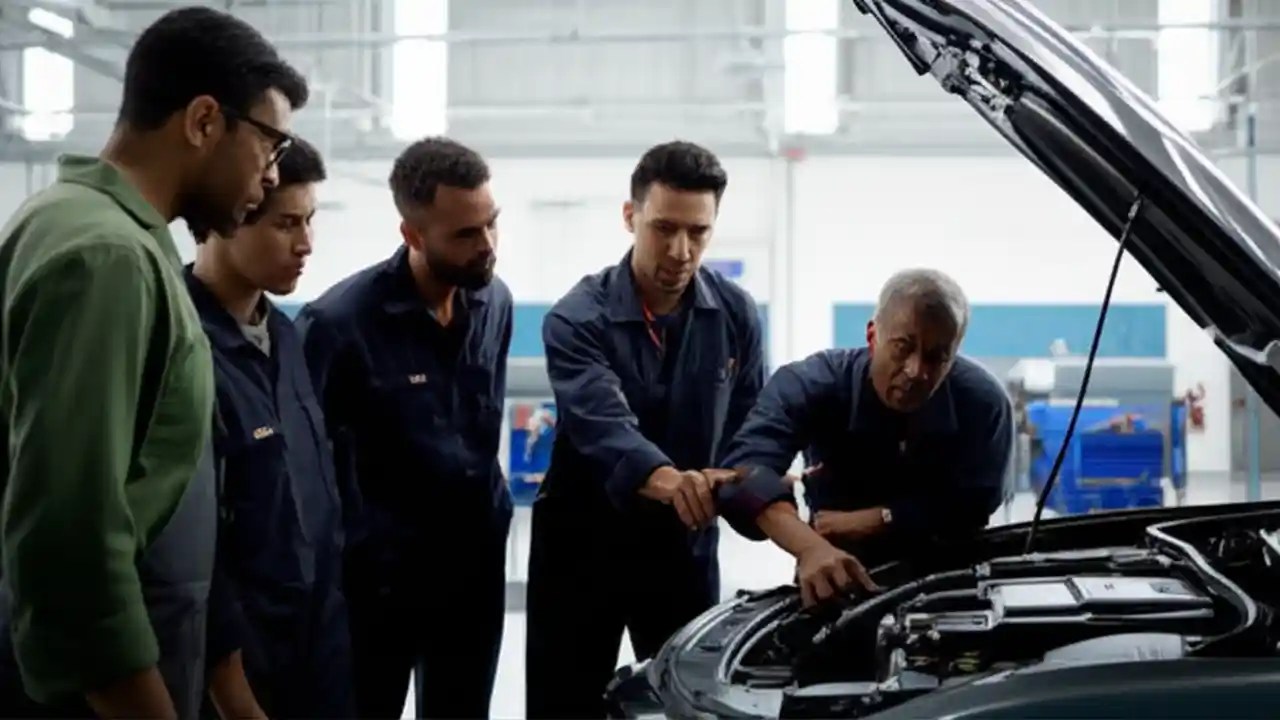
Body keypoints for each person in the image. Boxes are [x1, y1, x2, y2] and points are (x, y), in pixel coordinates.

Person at [0, 6, 307, 719]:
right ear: (203, 121)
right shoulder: (108, 258)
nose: (269, 178)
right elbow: (72, 539)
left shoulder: (70, 222)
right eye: (268, 147)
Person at [523, 140, 874, 719]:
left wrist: (760, 484)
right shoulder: (576, 317)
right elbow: (603, 424)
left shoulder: (735, 315)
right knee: (565, 707)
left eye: (698, 232)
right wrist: (677, 481)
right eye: (664, 229)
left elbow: (748, 433)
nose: (680, 251)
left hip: (681, 552)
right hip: (582, 549)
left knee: (690, 705)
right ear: (630, 216)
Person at [295, 137, 513, 719]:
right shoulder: (338, 325)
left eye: (491, 223)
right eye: (464, 234)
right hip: (378, 586)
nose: (487, 245)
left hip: (473, 568)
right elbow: (308, 471)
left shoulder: (493, 301)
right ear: (413, 235)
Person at [183, 135, 353, 718]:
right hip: (236, 674)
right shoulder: (183, 348)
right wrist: (231, 693)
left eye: (309, 220)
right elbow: (188, 551)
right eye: (286, 224)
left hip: (318, 654)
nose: (306, 244)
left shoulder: (287, 338)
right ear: (229, 217)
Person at [718, 268, 1014, 576]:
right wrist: (810, 547)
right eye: (903, 347)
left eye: (936, 357)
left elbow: (977, 503)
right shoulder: (811, 383)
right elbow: (744, 472)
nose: (916, 371)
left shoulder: (983, 403)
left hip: (948, 577)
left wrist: (878, 519)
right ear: (872, 336)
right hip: (835, 575)